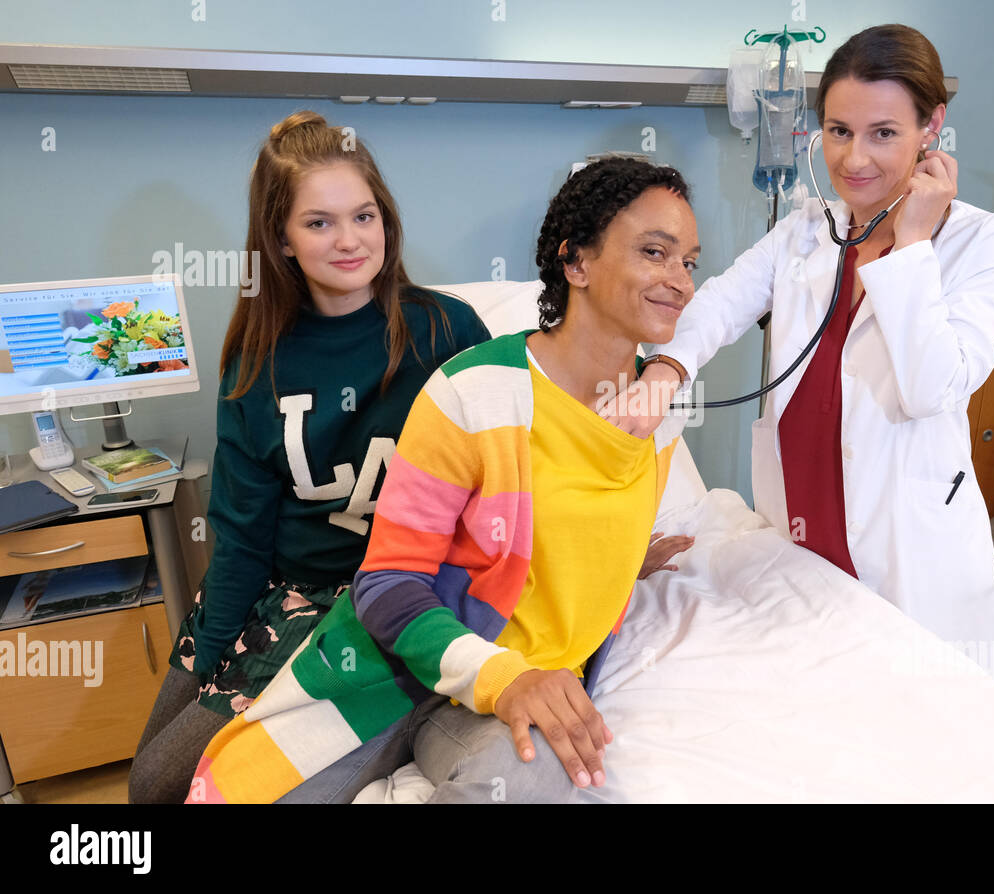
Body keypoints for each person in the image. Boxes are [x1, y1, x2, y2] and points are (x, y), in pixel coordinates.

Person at [184, 157, 699, 803]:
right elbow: (388, 581)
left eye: (690, 263)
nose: (679, 280)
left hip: (512, 692)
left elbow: (572, 527)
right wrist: (503, 676)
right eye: (656, 252)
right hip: (407, 665)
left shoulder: (663, 409)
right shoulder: (475, 392)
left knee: (525, 776)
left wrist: (622, 562)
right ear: (576, 263)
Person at [602, 24, 994, 691]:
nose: (854, 159)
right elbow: (719, 303)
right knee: (817, 707)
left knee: (912, 722)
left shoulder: (982, 241)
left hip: (902, 540)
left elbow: (930, 387)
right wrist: (665, 371)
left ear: (932, 126)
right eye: (837, 130)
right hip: (801, 513)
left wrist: (911, 245)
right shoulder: (806, 227)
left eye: (883, 132)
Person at [128, 111, 492, 803]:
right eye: (319, 223)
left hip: (369, 606)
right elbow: (239, 534)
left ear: (385, 219)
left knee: (159, 785)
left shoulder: (447, 331)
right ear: (282, 241)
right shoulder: (256, 359)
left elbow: (517, 466)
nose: (350, 240)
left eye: (364, 216)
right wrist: (213, 664)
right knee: (146, 777)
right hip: (272, 587)